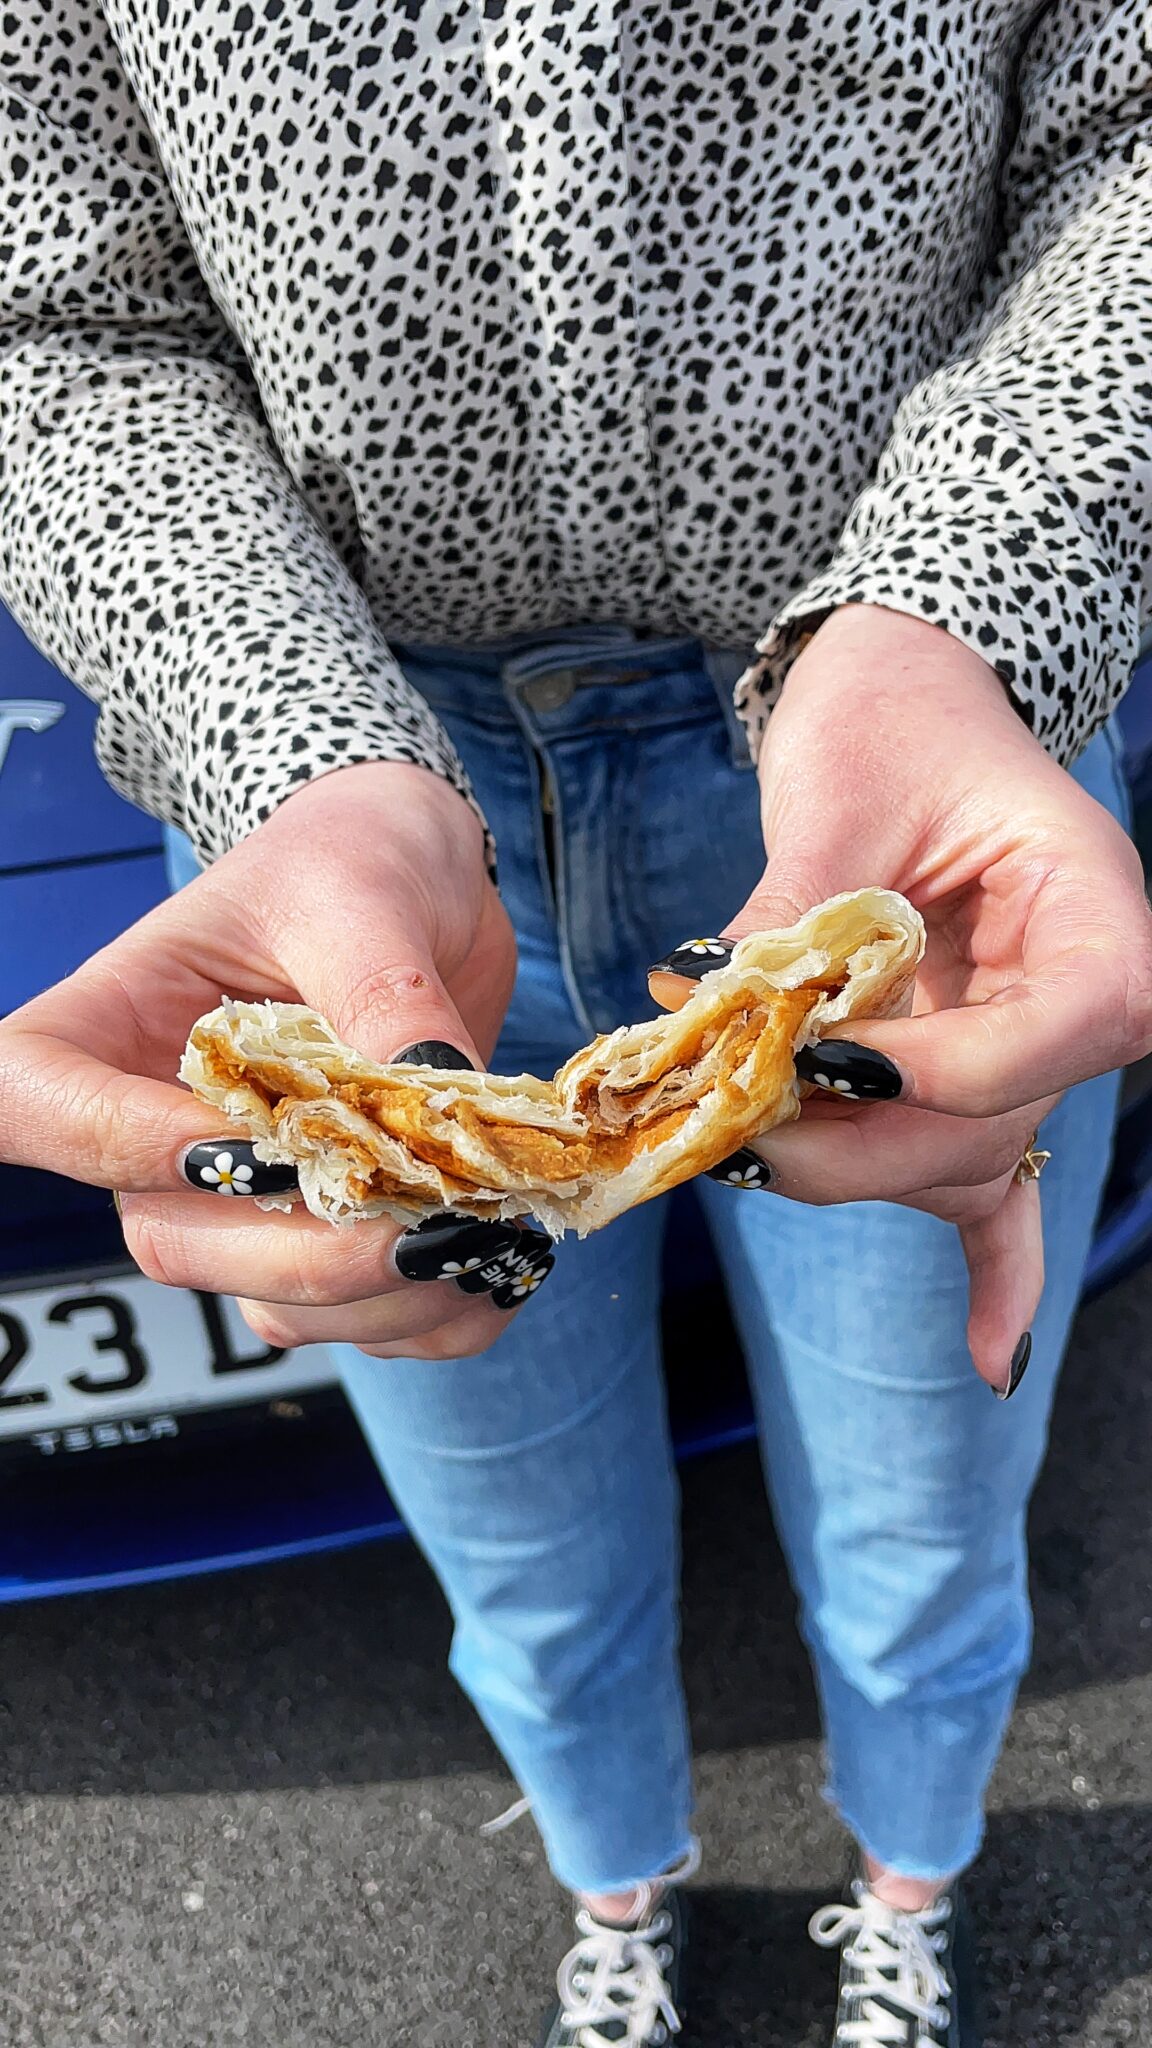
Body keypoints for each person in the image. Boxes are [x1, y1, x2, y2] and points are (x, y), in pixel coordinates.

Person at [1, 3, 1150, 2041]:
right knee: (510, 1530)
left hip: (871, 756)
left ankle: (912, 1882)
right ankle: (621, 1887)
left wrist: (971, 599)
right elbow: (52, 307)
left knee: (928, 1497)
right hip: (346, 787)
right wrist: (281, 738)